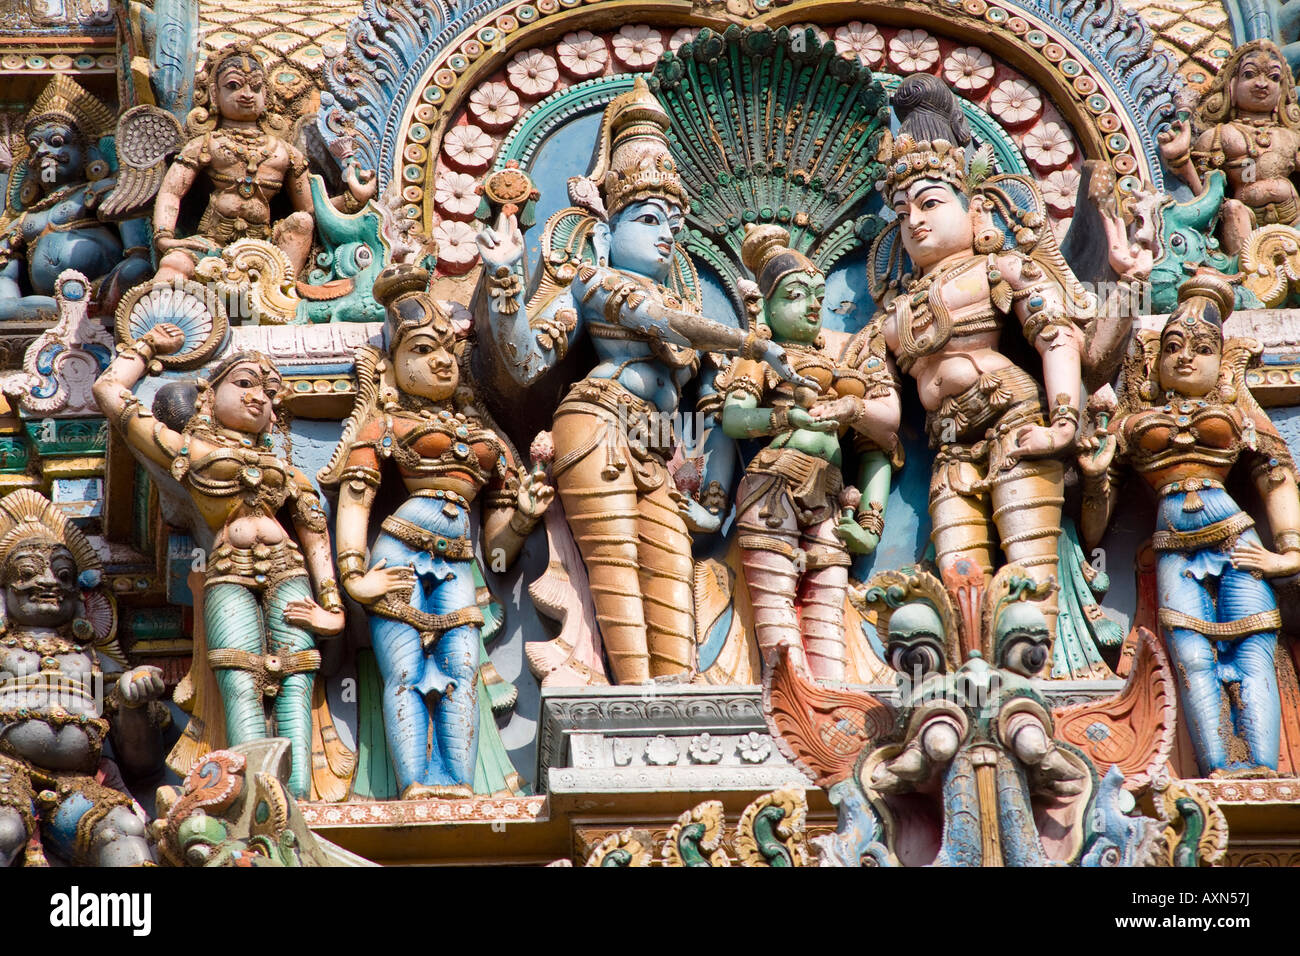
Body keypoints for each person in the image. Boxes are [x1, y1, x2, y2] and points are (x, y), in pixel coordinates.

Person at [321, 264, 552, 798]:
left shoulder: (482, 437)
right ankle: (415, 785)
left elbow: (496, 547)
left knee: (461, 672)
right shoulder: (385, 425)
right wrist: (355, 578)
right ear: (391, 365)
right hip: (397, 556)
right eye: (422, 350)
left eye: (448, 348)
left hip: (458, 564)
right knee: (403, 673)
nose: (442, 359)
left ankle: (457, 785)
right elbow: (355, 499)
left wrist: (522, 517)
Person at [93, 331, 344, 798]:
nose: (258, 398)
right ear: (209, 394)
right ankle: (253, 798)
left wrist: (333, 605)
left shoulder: (285, 469)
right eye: (245, 383)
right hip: (227, 570)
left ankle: (303, 802)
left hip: (289, 571)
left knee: (295, 676)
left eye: (270, 394)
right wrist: (146, 348)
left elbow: (314, 531)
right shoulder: (189, 453)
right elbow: (110, 393)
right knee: (240, 676)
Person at [1078, 273, 1300, 776]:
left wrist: (1288, 551)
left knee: (1253, 650)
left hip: (1236, 540)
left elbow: (1276, 471)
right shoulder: (1132, 421)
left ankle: (1262, 768)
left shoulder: (1236, 410)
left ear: (1223, 364)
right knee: (1193, 657)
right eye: (1174, 346)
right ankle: (1219, 765)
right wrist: (1093, 480)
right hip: (1173, 548)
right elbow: (1094, 531)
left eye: (1203, 348)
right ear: (1155, 361)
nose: (1186, 357)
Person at [720, 225, 900, 678]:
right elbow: (734, 419)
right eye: (797, 294)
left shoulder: (845, 367)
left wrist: (870, 524)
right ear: (766, 309)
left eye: (818, 295)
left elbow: (877, 447)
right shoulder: (760, 357)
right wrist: (786, 419)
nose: (814, 304)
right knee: (777, 611)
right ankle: (790, 703)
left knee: (827, 612)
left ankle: (833, 710)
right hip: (772, 486)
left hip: (833, 497)